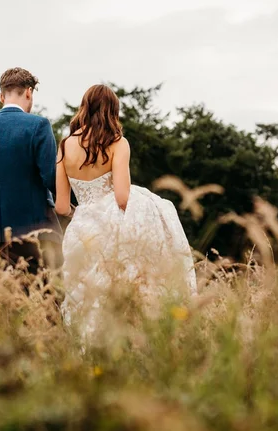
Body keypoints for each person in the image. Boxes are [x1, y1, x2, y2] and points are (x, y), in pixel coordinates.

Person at [55, 84, 196, 336]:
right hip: (110, 228)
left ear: (84, 108)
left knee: (84, 300)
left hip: (80, 232)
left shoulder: (65, 145)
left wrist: (84, 212)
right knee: (118, 298)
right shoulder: (118, 143)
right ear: (112, 111)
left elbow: (62, 206)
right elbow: (122, 197)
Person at [0, 67, 61, 271]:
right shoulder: (39, 126)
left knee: (1, 301)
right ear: (28, 92)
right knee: (44, 298)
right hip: (35, 238)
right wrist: (79, 206)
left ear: (1, 96)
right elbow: (52, 178)